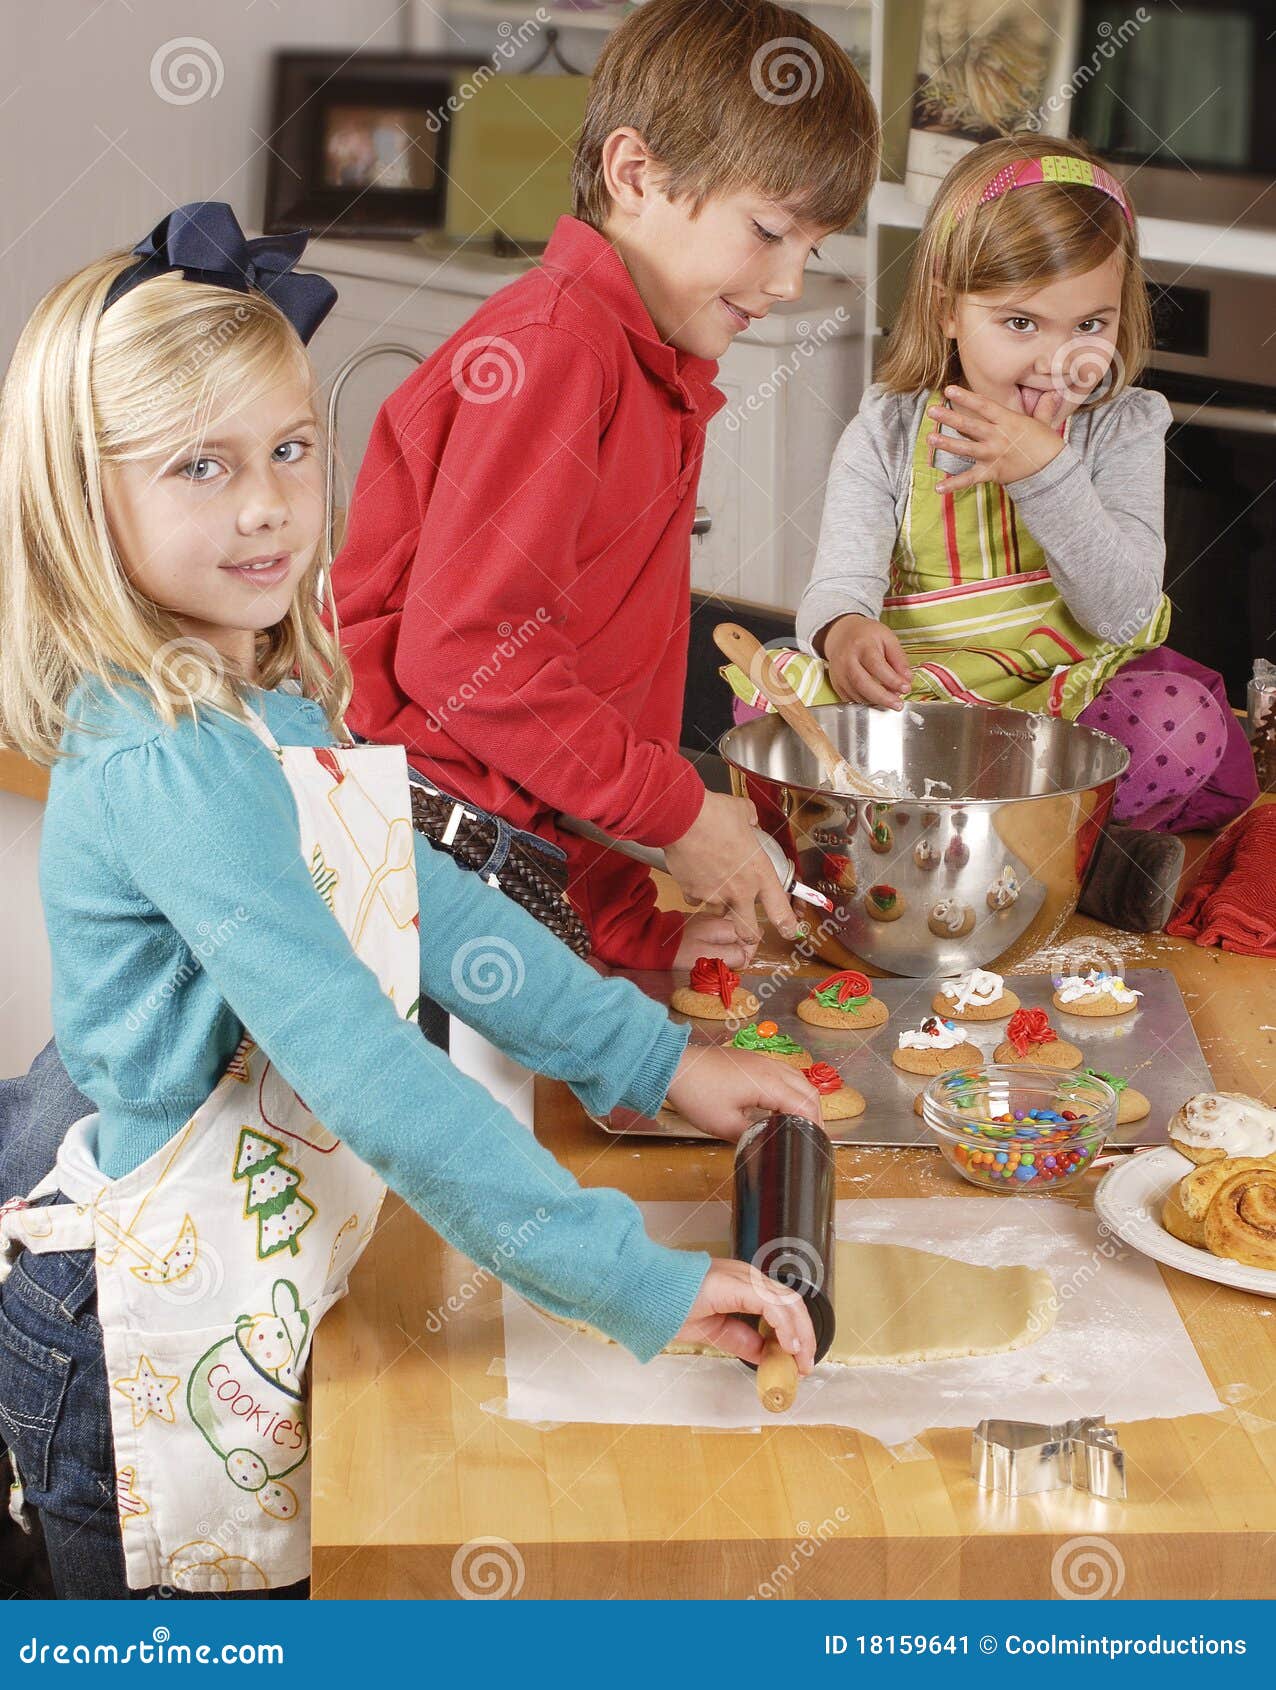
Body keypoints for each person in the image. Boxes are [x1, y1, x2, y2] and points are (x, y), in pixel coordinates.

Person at [0, 204, 819, 1599]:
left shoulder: (256, 696)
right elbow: (366, 1067)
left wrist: (657, 1060)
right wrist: (632, 1279)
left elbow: (431, 902)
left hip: (246, 1282)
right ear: (88, 497)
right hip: (136, 1336)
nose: (264, 502)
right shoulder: (173, 758)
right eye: (200, 466)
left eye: (288, 450)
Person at [331, 0, 881, 969]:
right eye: (768, 231)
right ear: (635, 175)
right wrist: (675, 813)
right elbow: (465, 659)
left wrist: (640, 932)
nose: (791, 281)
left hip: (511, 862)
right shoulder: (555, 352)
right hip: (421, 870)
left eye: (814, 248)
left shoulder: (656, 370)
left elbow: (576, 719)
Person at [724, 134, 1256, 834]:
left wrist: (1046, 472)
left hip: (1066, 711)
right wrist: (846, 632)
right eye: (1019, 322)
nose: (1059, 360)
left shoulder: (1122, 428)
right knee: (771, 703)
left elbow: (1123, 613)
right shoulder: (886, 434)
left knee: (1174, 723)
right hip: (922, 711)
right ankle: (991, 835)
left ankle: (1025, 844)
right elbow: (838, 583)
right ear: (948, 308)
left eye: (1090, 324)